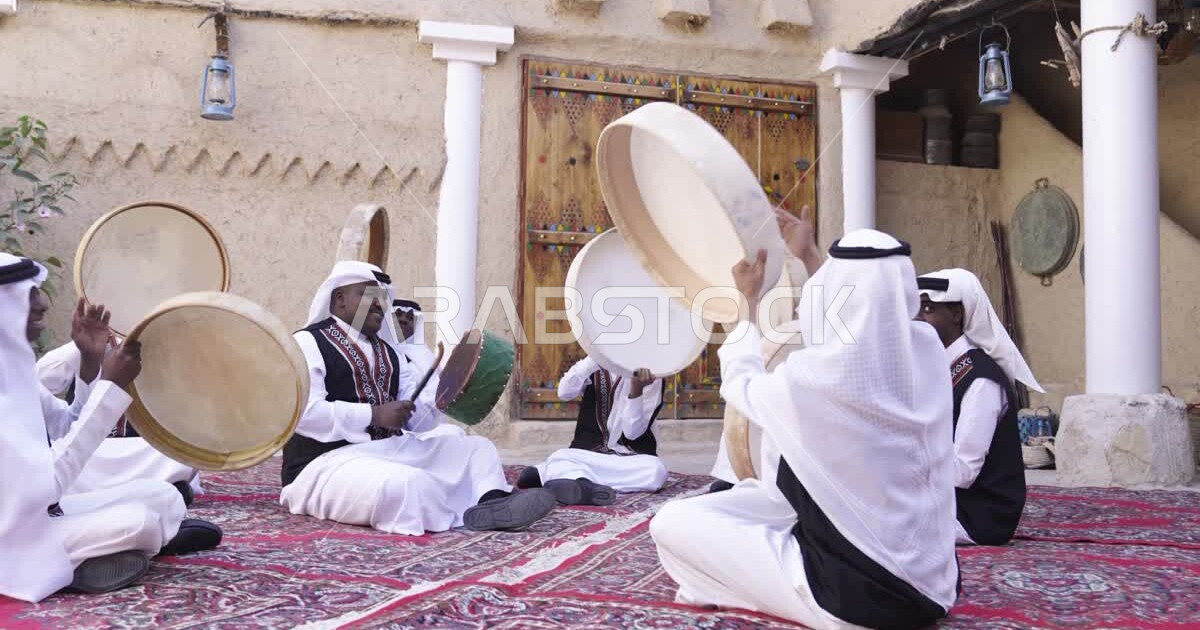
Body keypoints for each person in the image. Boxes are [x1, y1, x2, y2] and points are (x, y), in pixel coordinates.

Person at [649, 230, 959, 630]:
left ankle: (721, 586)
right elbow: (862, 303)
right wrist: (810, 255)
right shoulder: (927, 351)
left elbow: (741, 386)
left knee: (671, 524)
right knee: (761, 496)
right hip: (932, 586)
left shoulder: (817, 376)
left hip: (860, 598)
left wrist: (747, 305)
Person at [0, 254, 220, 602]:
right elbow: (49, 485)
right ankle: (83, 562)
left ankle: (108, 552)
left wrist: (91, 363)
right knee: (139, 521)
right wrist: (112, 388)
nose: (42, 303)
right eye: (29, 294)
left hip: (38, 518)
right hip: (12, 543)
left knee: (162, 495)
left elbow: (65, 428)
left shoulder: (13, 370)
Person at [279, 261, 556, 534]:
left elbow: (421, 424)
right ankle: (459, 508)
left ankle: (491, 502)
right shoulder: (308, 342)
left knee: (477, 449)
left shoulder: (391, 354)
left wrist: (440, 393)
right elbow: (304, 413)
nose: (379, 305)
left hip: (388, 451)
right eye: (368, 295)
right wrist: (374, 415)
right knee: (407, 484)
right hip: (324, 465)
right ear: (339, 299)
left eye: (383, 298)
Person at [917, 268, 1043, 546]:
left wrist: (903, 463)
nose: (919, 319)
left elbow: (963, 472)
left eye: (928, 309)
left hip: (977, 514)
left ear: (956, 314)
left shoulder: (980, 379)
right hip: (942, 499)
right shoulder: (942, 368)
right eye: (917, 310)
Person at [37, 338, 202, 503]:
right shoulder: (95, 343)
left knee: (179, 453)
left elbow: (67, 424)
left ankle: (155, 488)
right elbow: (43, 379)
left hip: (139, 450)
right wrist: (83, 351)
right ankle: (160, 488)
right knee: (56, 460)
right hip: (87, 453)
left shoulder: (171, 345)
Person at [516, 358, 665, 504]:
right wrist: (595, 357)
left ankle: (570, 479)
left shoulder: (651, 375)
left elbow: (632, 432)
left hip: (630, 458)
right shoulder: (592, 364)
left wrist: (636, 390)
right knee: (561, 456)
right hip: (589, 454)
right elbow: (564, 393)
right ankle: (578, 483)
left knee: (655, 471)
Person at [392, 298, 466, 441]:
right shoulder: (379, 351)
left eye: (410, 318)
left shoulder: (425, 356)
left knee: (456, 435)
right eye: (398, 314)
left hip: (423, 425)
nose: (403, 320)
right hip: (390, 427)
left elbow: (436, 396)